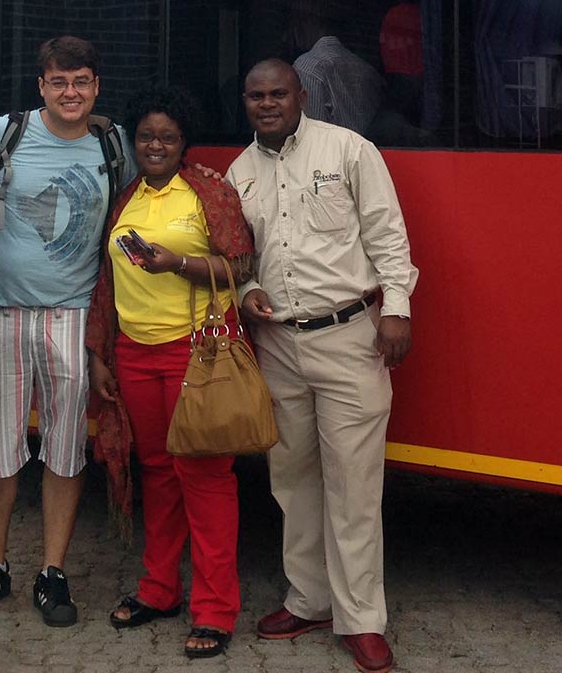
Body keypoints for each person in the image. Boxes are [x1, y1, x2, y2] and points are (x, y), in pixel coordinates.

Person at [229, 59, 417, 673]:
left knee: (354, 485)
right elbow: (237, 256)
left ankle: (362, 618)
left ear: (300, 96)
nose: (266, 103)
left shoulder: (349, 150)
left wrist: (398, 308)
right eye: (256, 95)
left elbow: (387, 235)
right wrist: (246, 289)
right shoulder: (239, 172)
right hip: (279, 343)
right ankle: (308, 600)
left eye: (277, 93)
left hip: (350, 339)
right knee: (292, 480)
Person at [0, 35, 133, 628]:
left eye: (81, 81)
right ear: (41, 87)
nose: (70, 93)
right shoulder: (4, 134)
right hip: (1, 314)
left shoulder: (112, 144)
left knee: (63, 449)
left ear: (97, 86)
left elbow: (132, 206)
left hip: (74, 318)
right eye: (58, 82)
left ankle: (52, 571)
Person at [86, 86, 256, 660]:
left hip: (196, 354)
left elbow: (239, 265)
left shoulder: (207, 189)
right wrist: (99, 355)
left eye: (167, 137)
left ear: (184, 142)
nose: (154, 145)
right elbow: (106, 281)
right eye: (146, 136)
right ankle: (159, 591)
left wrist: (176, 262)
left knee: (204, 477)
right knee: (157, 473)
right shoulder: (128, 194)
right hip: (135, 354)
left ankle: (214, 609)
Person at [289, 1, 386, 135]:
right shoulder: (366, 69)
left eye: (296, 24)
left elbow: (311, 135)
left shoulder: (307, 67)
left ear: (309, 23)